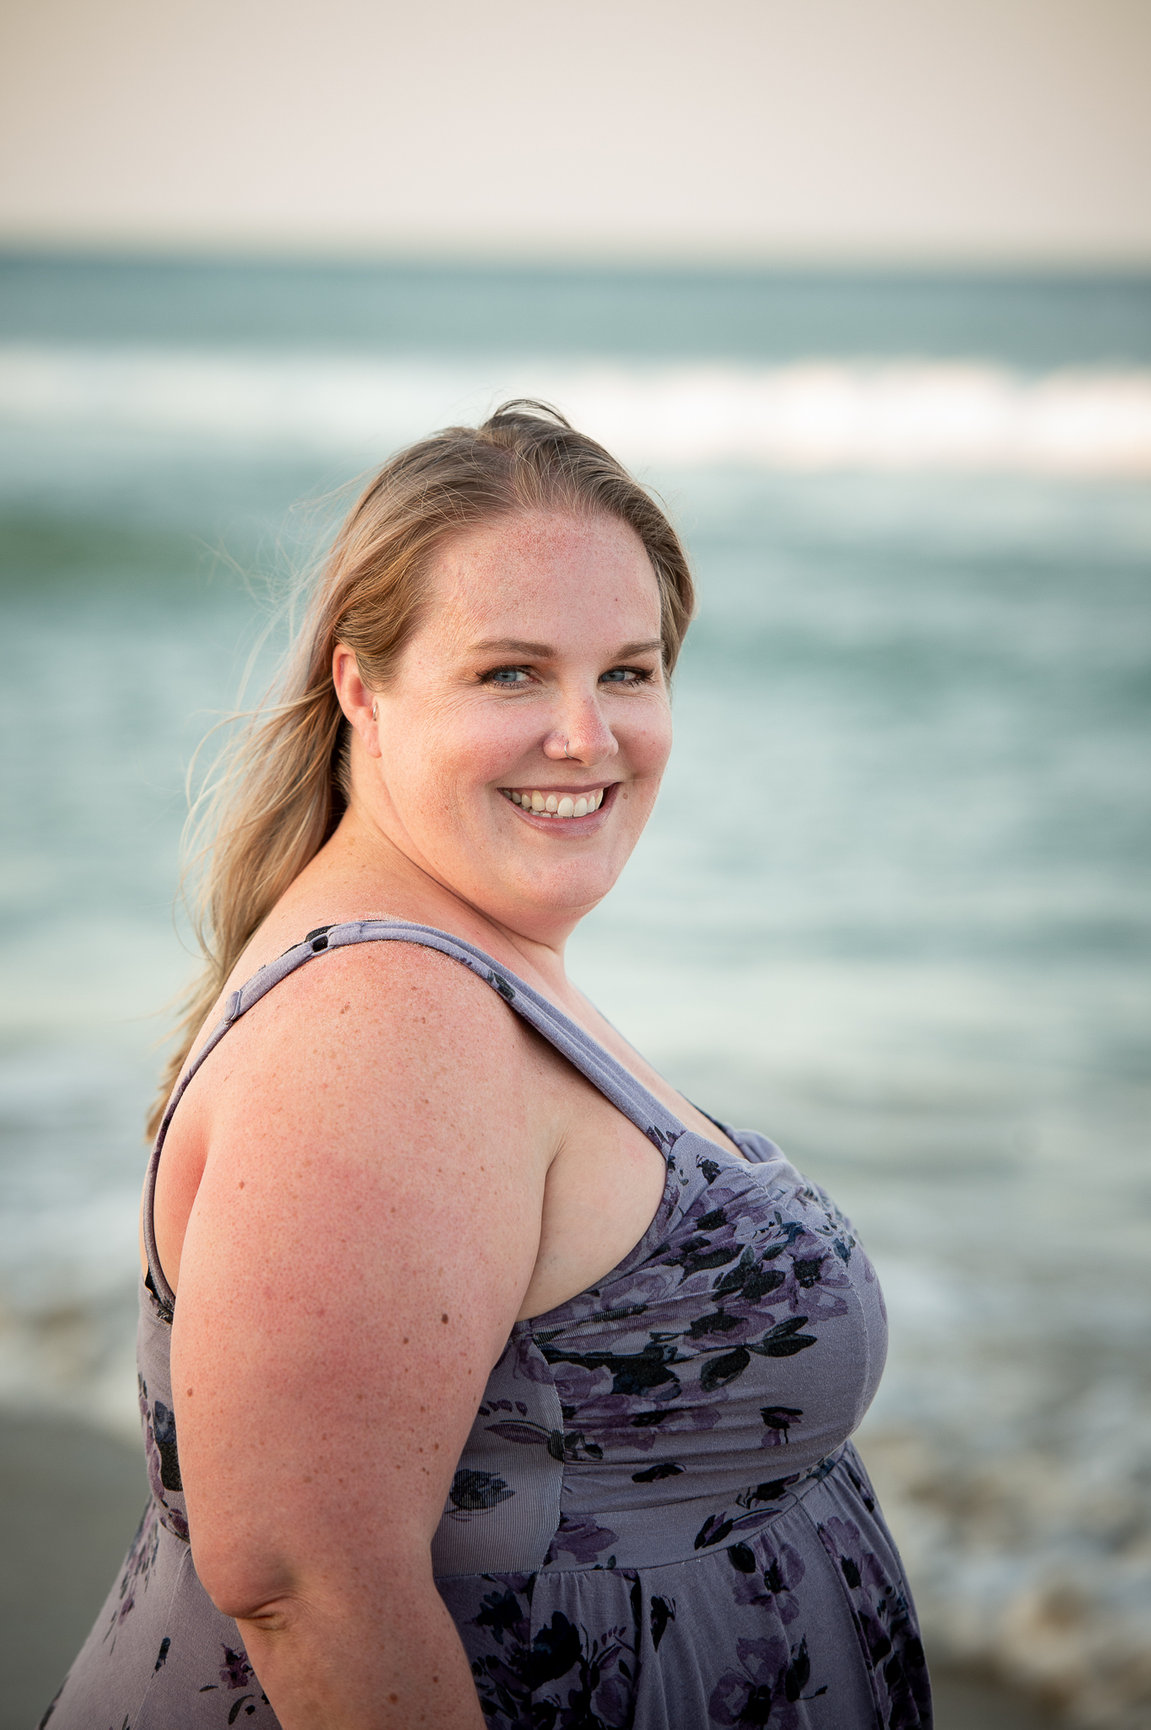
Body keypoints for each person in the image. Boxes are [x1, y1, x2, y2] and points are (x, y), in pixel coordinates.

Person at [41, 402, 932, 1729]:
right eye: (511, 673)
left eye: (629, 671)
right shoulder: (392, 1017)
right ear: (362, 686)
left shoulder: (469, 952)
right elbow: (307, 1582)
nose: (587, 734)